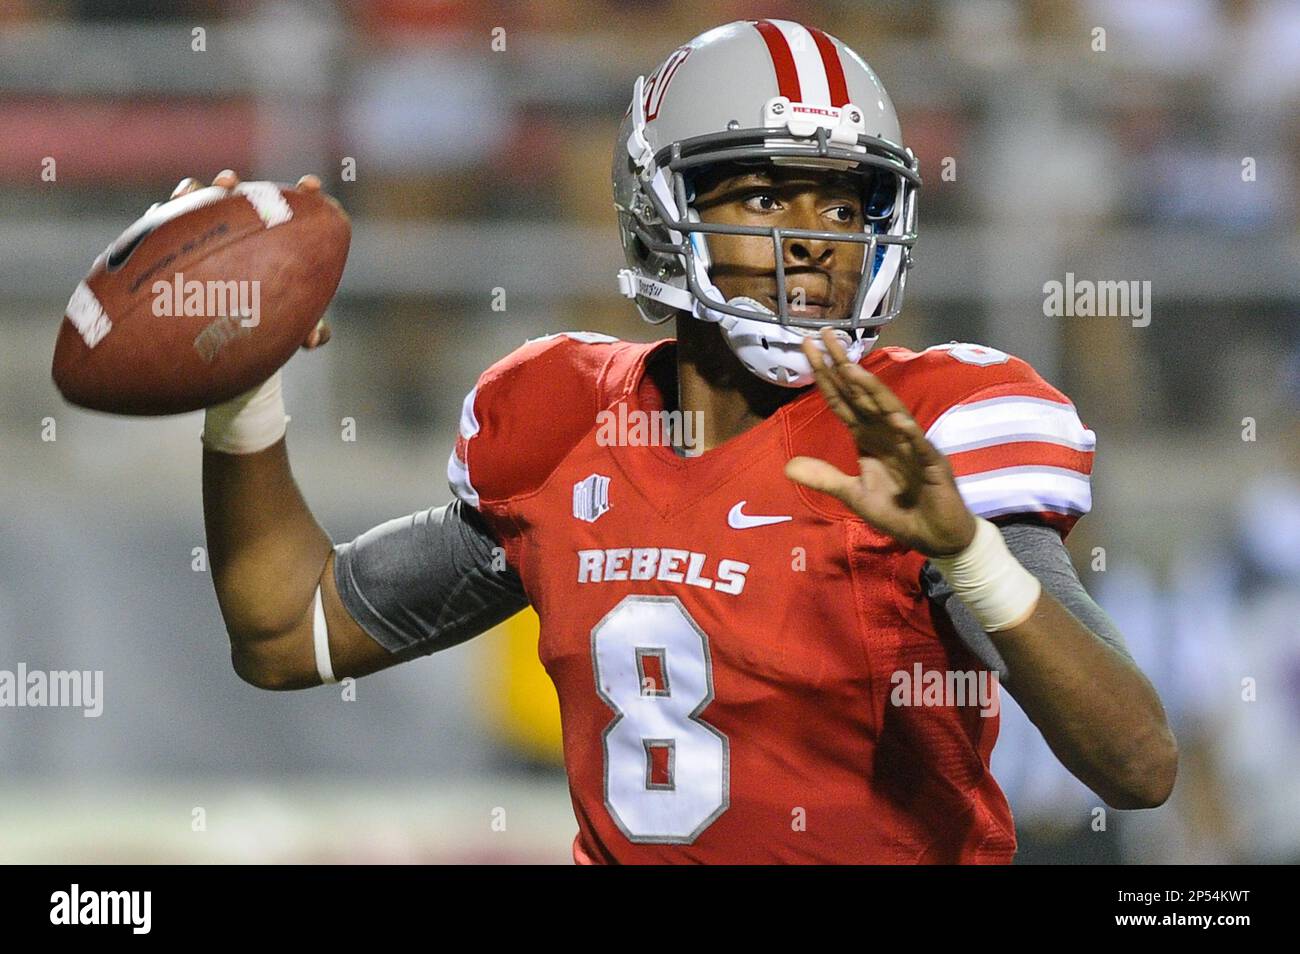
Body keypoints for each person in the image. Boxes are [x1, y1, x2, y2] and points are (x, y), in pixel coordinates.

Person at [193, 19, 1176, 863]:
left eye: (843, 204)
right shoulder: (558, 421)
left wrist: (969, 554)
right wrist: (244, 396)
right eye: (764, 198)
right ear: (666, 212)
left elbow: (1136, 765)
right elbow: (286, 635)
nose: (815, 243)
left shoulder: (925, 436)